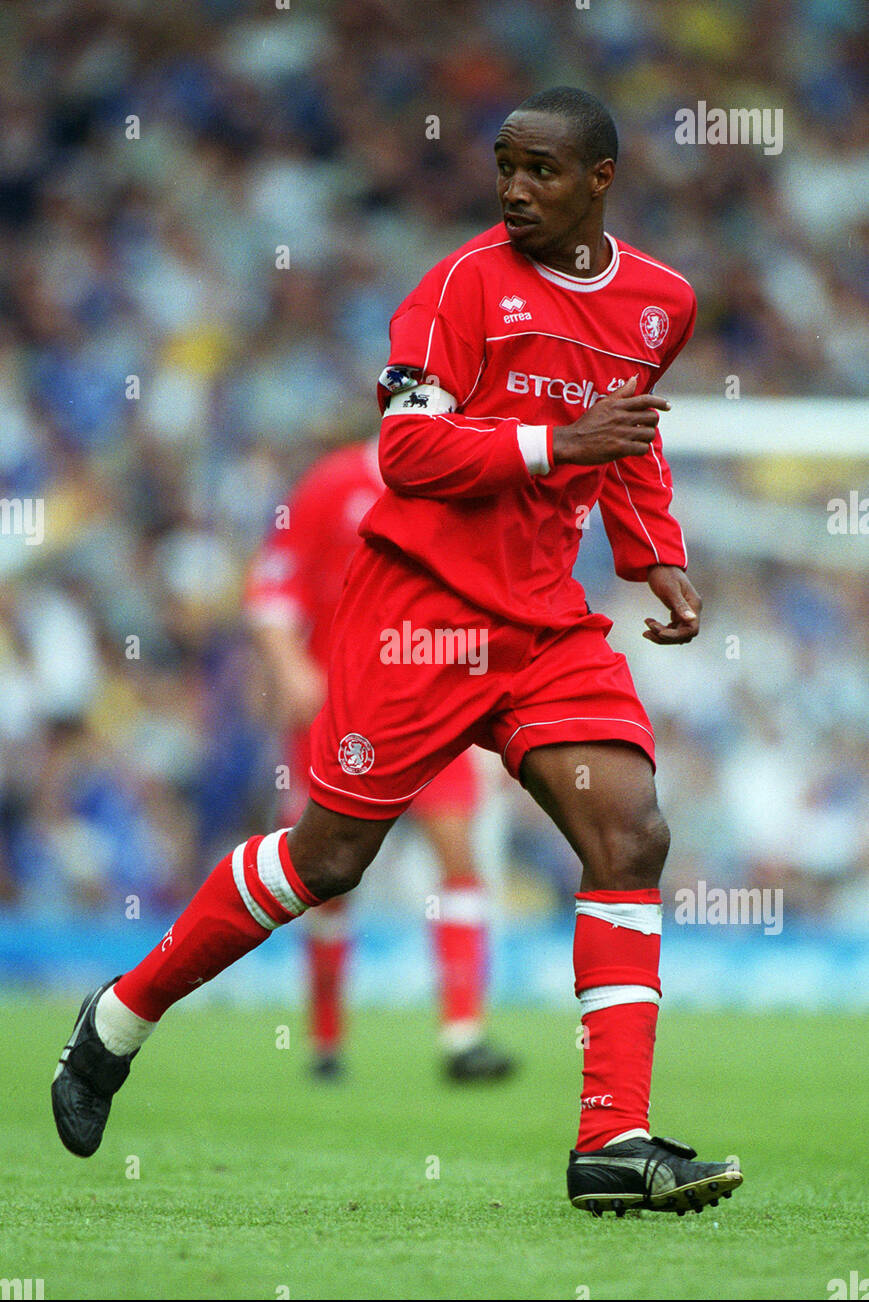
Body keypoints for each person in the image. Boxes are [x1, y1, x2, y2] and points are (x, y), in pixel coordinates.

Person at [52, 87, 743, 1217]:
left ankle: (611, 1141)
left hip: (541, 624)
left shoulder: (661, 302)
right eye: (502, 167)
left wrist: (651, 552)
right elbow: (410, 449)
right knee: (327, 863)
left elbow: (626, 440)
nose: (514, 189)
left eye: (540, 171)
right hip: (416, 617)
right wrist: (550, 441)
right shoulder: (458, 286)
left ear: (600, 180)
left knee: (631, 828)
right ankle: (118, 1017)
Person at [244, 437, 515, 1081]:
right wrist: (289, 667)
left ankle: (463, 1036)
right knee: (327, 874)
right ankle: (326, 1041)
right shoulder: (333, 482)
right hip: (339, 709)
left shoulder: (466, 484)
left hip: (433, 707)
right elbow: (274, 585)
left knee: (458, 853)